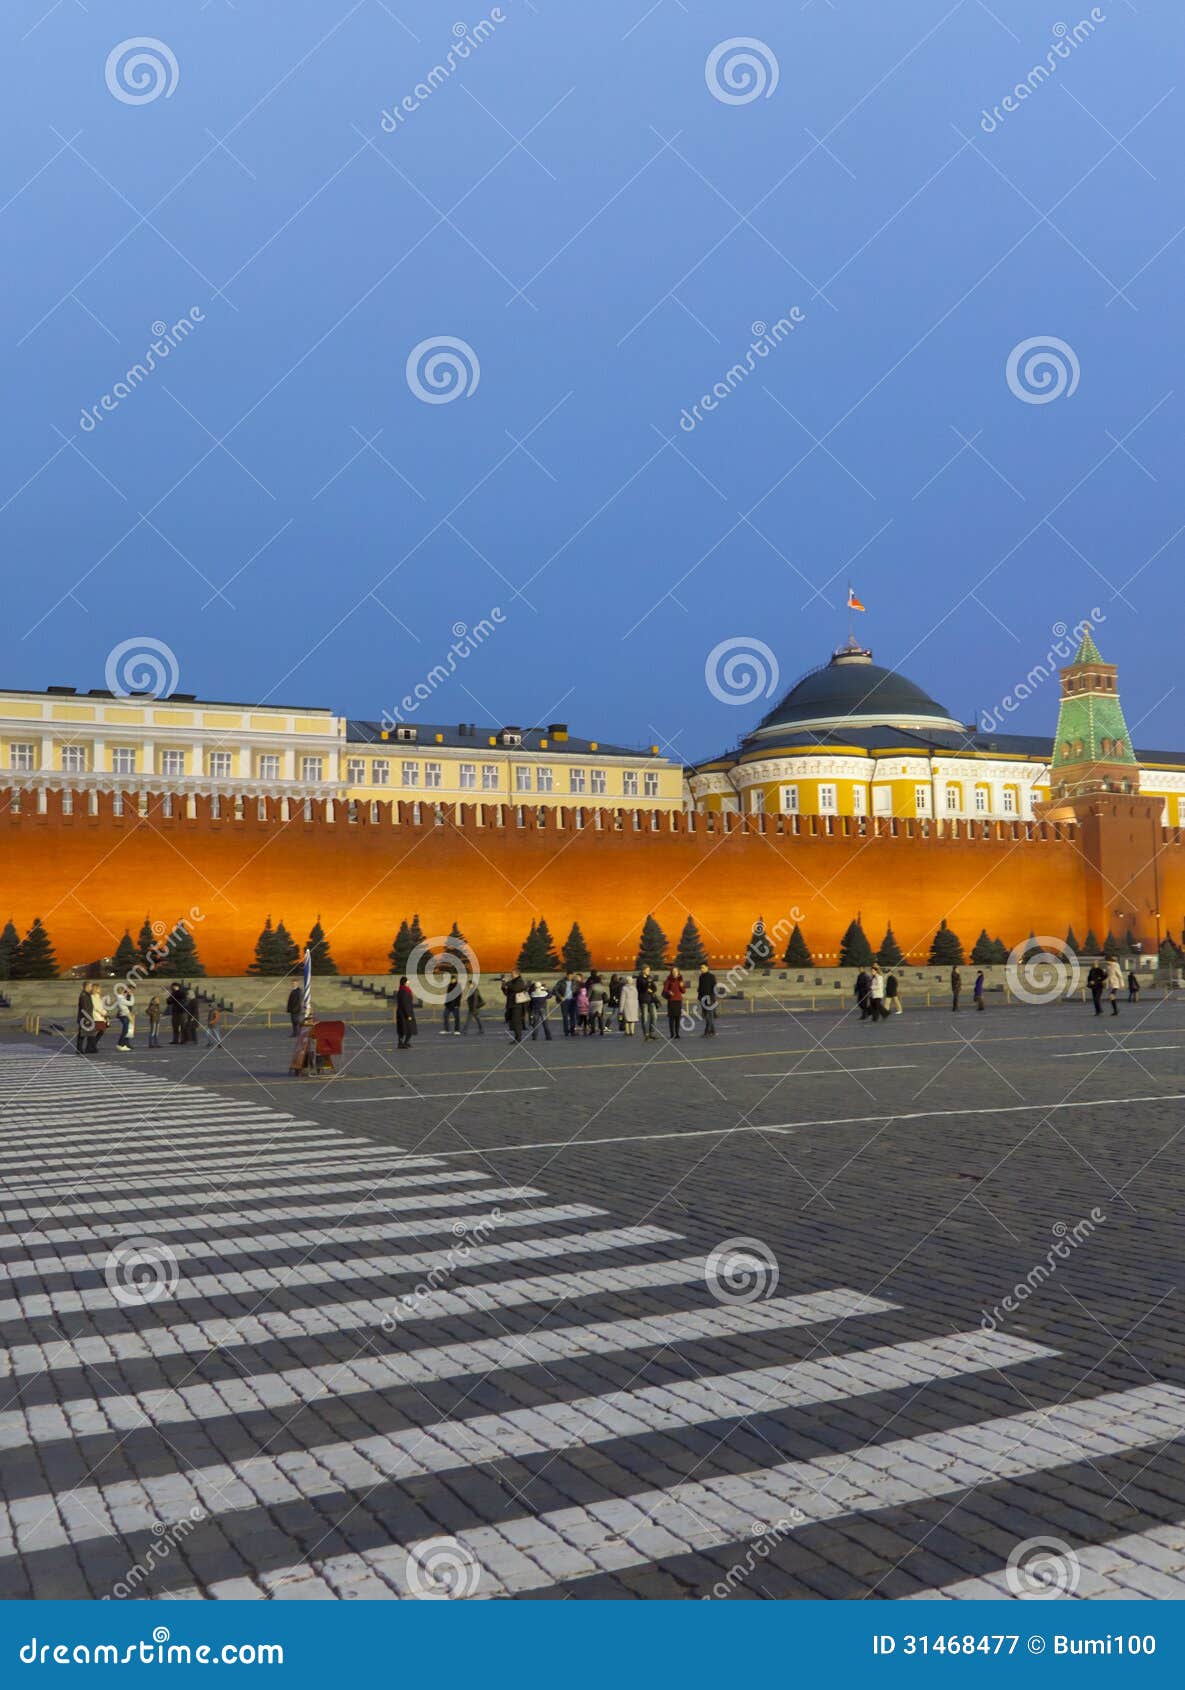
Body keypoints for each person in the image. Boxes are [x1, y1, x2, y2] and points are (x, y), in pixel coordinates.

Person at [637, 966, 660, 1042]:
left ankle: (652, 1033)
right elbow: (643, 989)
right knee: (645, 1018)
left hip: (651, 1000)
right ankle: (646, 1034)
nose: (648, 971)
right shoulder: (640, 979)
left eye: (649, 970)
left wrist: (651, 990)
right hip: (643, 1000)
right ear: (643, 970)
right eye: (647, 970)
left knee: (654, 1016)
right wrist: (648, 982)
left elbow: (655, 988)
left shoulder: (649, 978)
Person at [505, 972, 529, 1042]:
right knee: (513, 1021)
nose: (511, 976)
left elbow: (516, 988)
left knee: (516, 1021)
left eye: (512, 974)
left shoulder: (520, 981)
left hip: (518, 1005)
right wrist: (504, 986)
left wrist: (507, 984)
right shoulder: (512, 982)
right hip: (511, 1004)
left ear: (517, 974)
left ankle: (518, 1038)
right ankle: (517, 1037)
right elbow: (507, 992)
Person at [662, 968, 686, 1037]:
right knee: (672, 1018)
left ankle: (677, 1033)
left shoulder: (680, 980)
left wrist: (681, 986)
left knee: (678, 1018)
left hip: (678, 1000)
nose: (675, 972)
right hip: (671, 1001)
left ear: (678, 972)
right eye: (673, 971)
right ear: (671, 972)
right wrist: (669, 992)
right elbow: (665, 990)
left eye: (676, 971)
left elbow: (683, 991)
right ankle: (672, 1034)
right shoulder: (668, 980)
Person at [395, 976, 417, 1048]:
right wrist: (408, 1015)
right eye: (408, 981)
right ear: (404, 982)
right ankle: (401, 1043)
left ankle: (405, 1042)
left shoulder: (405, 990)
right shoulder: (404, 991)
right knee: (405, 1029)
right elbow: (404, 1004)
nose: (409, 982)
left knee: (407, 1029)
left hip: (404, 1012)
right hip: (404, 1013)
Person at [697, 966, 718, 1035]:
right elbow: (700, 988)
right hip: (703, 999)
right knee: (706, 1015)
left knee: (709, 1015)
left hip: (710, 999)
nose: (701, 969)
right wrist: (699, 997)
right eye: (701, 968)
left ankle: (707, 1031)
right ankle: (713, 1031)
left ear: (707, 968)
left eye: (703, 968)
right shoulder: (701, 977)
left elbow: (714, 987)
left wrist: (712, 998)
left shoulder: (711, 976)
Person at [113, 984, 134, 1052]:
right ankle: (120, 1044)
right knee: (125, 1031)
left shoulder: (121, 997)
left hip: (125, 1014)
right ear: (121, 991)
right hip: (125, 1015)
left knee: (126, 1030)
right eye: (123, 990)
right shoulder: (120, 998)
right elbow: (131, 1003)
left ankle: (122, 1044)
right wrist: (132, 995)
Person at [556, 972, 576, 1037]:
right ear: (567, 975)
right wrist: (560, 997)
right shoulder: (561, 982)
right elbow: (555, 990)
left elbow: (578, 989)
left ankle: (572, 1030)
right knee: (565, 1016)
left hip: (573, 1001)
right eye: (569, 976)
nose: (570, 977)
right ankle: (566, 1031)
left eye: (572, 976)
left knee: (573, 1016)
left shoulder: (574, 982)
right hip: (564, 1001)